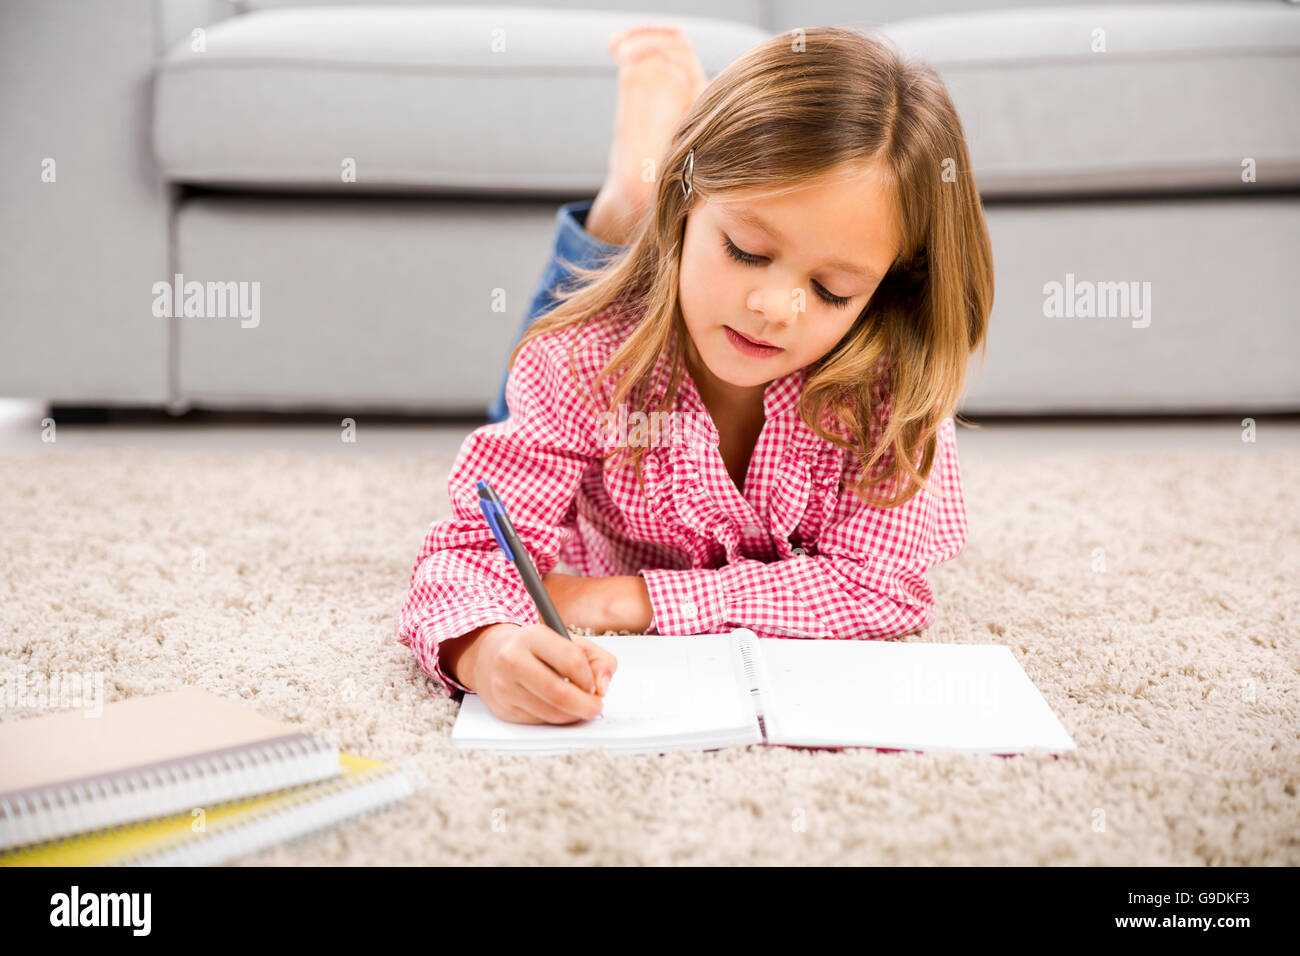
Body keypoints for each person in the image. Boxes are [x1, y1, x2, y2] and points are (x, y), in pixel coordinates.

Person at [397, 25, 994, 727]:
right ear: (687, 207)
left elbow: (882, 589)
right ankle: (633, 193)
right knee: (549, 341)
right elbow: (468, 558)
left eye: (832, 290)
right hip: (623, 340)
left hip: (658, 311)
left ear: (888, 291)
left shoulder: (891, 386)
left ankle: (645, 195)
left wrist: (625, 600)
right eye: (744, 250)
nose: (774, 309)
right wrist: (483, 650)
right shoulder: (577, 361)